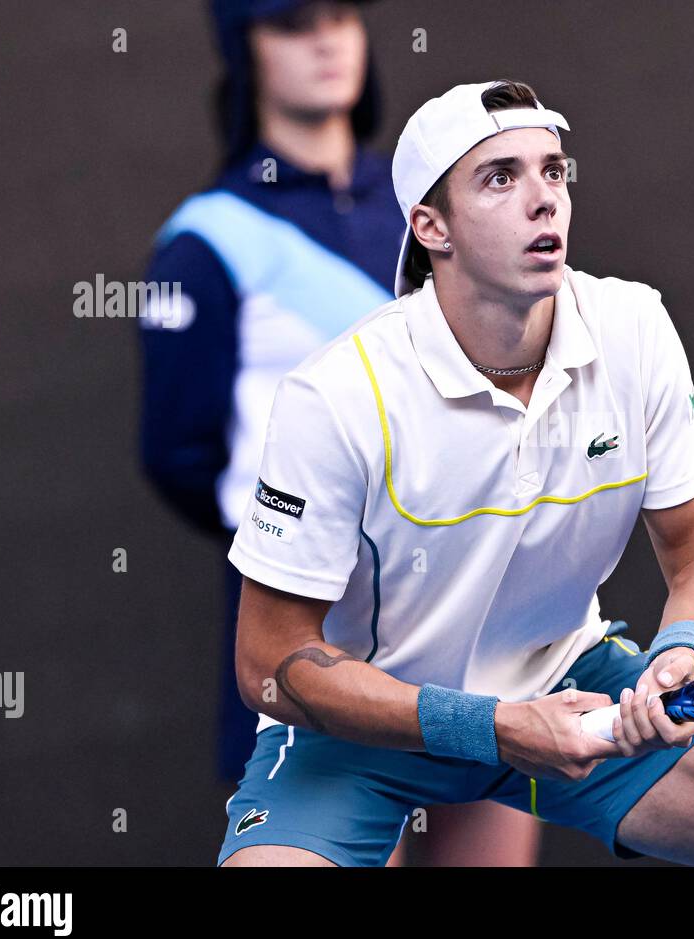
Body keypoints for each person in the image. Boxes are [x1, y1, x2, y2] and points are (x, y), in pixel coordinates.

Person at [217, 79, 694, 866]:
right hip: (366, 726)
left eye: (554, 171)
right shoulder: (334, 397)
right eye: (500, 177)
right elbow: (267, 664)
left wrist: (678, 657)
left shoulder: (634, 329)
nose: (544, 200)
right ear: (430, 226)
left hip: (566, 681)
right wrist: (487, 726)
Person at [138, 1, 540, 864]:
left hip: (483, 637)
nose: (325, 39)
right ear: (245, 48)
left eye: (341, 15)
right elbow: (179, 454)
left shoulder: (439, 211)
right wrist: (320, 545)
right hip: (320, 650)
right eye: (291, 21)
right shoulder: (204, 245)